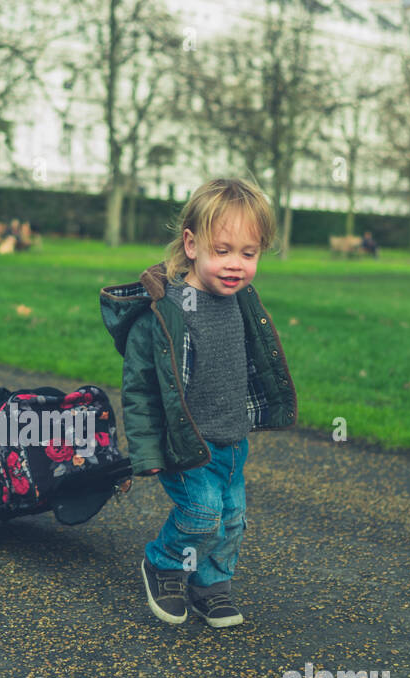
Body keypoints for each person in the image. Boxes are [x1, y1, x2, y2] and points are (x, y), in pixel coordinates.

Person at [99, 178, 297, 628]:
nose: (236, 265)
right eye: (222, 250)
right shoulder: (166, 311)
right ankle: (164, 563)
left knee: (232, 520)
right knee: (202, 513)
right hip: (185, 445)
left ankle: (211, 582)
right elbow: (141, 389)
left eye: (249, 254)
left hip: (230, 442)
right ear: (191, 244)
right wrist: (145, 453)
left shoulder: (243, 301)